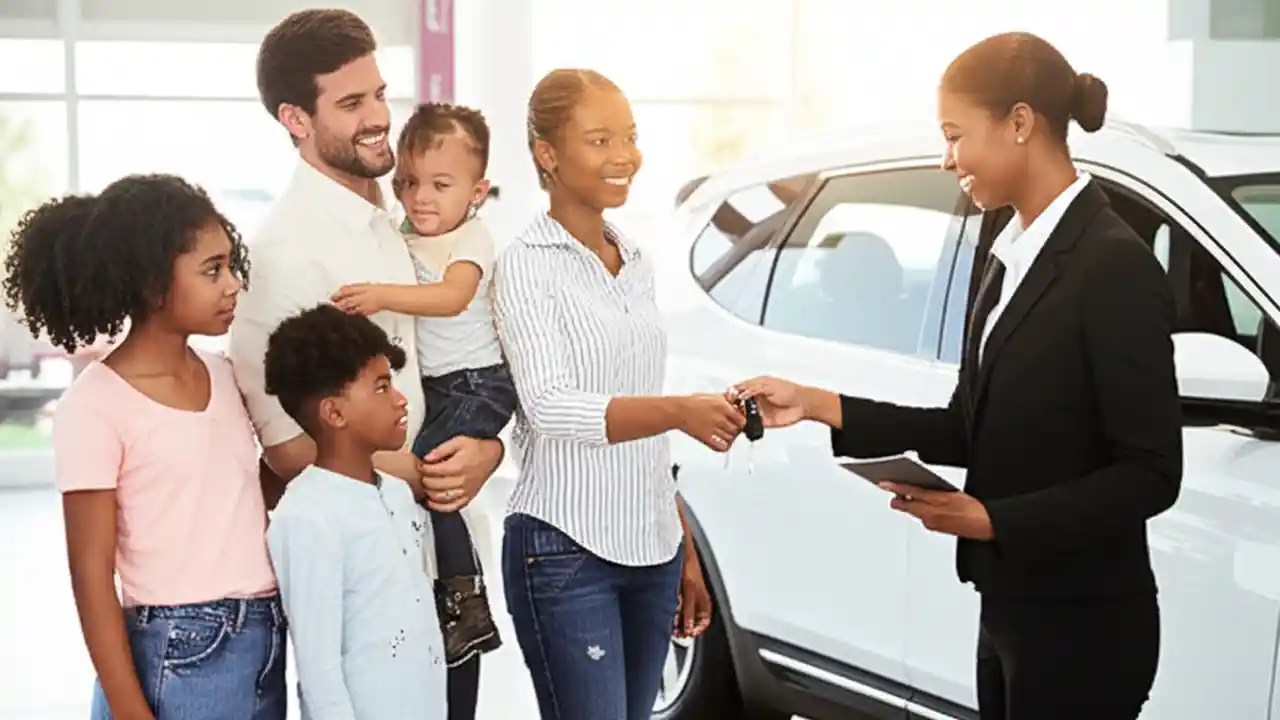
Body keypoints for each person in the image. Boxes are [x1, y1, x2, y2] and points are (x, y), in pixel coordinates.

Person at [736, 32, 1182, 720]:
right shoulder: (1006, 250)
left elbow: (1152, 473)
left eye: (954, 135)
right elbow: (972, 423)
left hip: (1086, 626)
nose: (947, 160)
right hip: (1008, 608)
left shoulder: (1112, 266)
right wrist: (819, 404)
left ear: (1021, 123)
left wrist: (992, 519)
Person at [230, 12, 503, 717]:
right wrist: (417, 473)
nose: (380, 117)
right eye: (352, 104)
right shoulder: (283, 255)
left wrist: (487, 448)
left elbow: (464, 354)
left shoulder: (412, 214)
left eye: (380, 93)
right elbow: (289, 446)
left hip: (446, 563)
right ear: (295, 117)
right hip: (371, 590)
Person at [493, 68, 740, 720]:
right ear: (547, 154)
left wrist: (682, 545)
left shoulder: (635, 259)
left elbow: (643, 410)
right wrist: (681, 411)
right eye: (599, 139)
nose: (624, 155)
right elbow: (548, 406)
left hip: (652, 550)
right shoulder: (524, 264)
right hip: (565, 549)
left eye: (628, 136)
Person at [1, 175, 285, 719]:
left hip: (264, 634)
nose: (232, 285)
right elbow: (90, 574)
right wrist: (131, 712)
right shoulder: (95, 405)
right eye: (212, 270)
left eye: (231, 266)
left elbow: (241, 490)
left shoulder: (227, 376)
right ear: (153, 283)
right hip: (179, 649)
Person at [329, 102, 510, 673]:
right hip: (440, 386)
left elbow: (452, 297)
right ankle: (451, 597)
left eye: (440, 184)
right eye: (407, 183)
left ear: (476, 192)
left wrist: (382, 294)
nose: (420, 198)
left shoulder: (473, 239)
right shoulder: (403, 231)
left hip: (477, 386)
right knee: (431, 482)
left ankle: (465, 603)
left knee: (432, 476)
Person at [264, 304, 447, 720]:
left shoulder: (399, 496)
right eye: (381, 387)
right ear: (334, 413)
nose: (401, 400)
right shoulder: (307, 516)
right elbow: (318, 670)